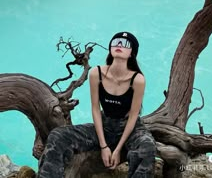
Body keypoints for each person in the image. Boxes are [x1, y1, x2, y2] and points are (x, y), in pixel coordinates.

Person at [37, 31, 156, 177]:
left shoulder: (137, 79)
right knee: (58, 135)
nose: (119, 45)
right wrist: (103, 146)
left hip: (130, 129)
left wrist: (117, 150)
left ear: (132, 53)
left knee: (147, 147)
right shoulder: (96, 73)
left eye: (125, 44)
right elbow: (95, 109)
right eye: (116, 42)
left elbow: (133, 116)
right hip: (104, 126)